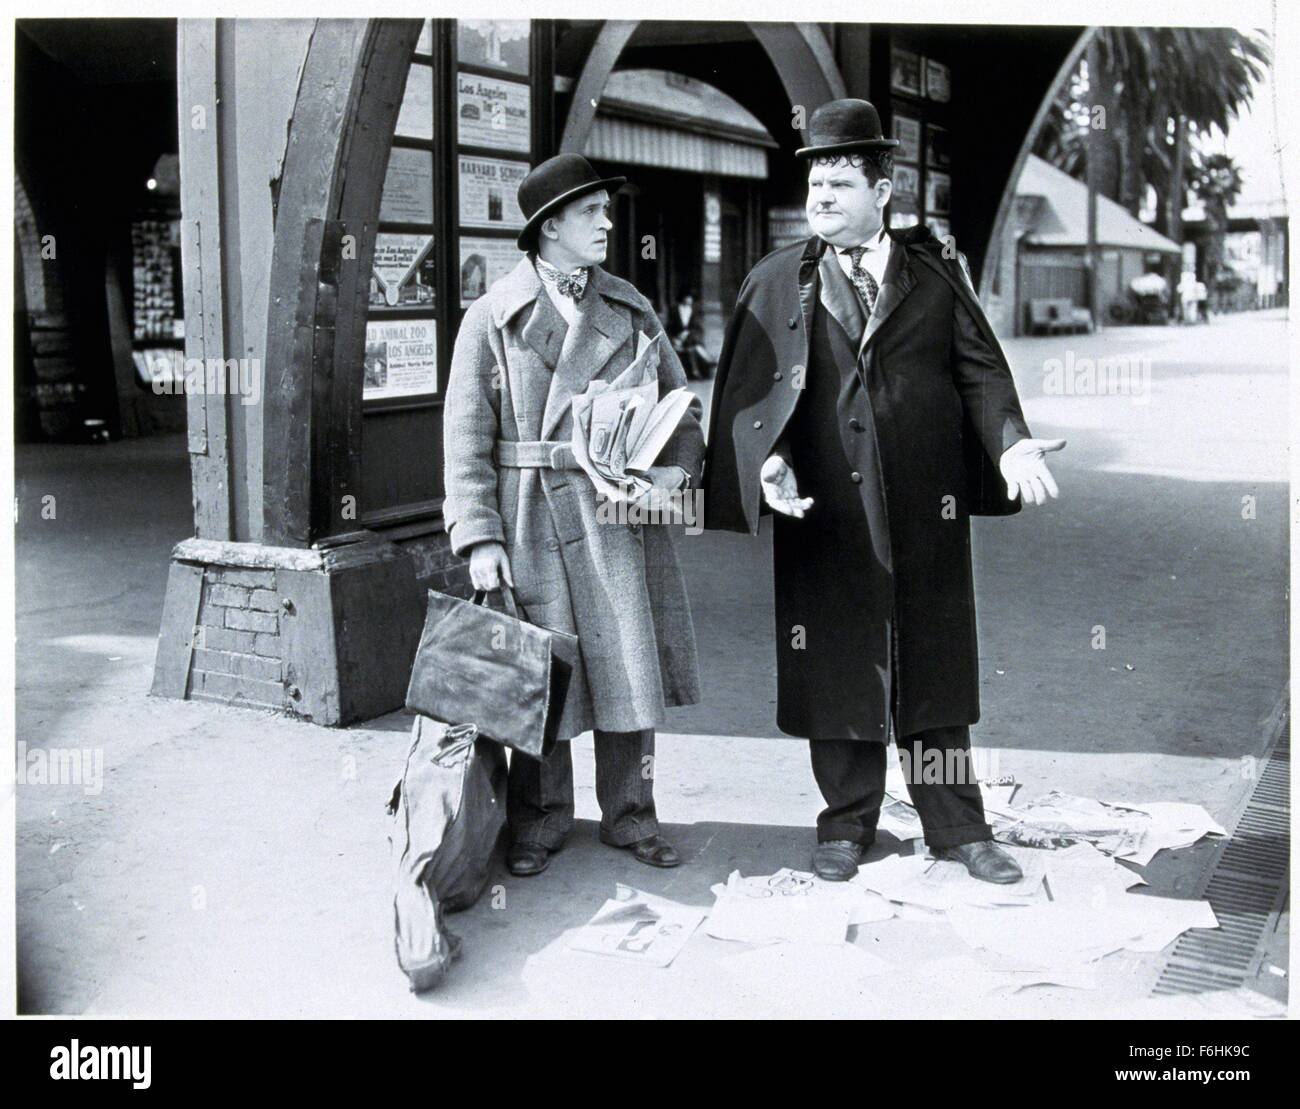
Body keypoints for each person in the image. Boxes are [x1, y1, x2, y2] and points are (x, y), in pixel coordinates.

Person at [702, 99, 1066, 883]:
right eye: (814, 185)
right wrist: (768, 464)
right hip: (826, 511)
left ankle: (961, 829)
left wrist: (1009, 443)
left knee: (933, 664)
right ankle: (845, 824)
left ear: (883, 189)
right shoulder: (775, 282)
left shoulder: (933, 274)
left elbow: (980, 369)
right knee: (837, 660)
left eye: (839, 182)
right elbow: (744, 400)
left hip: (922, 506)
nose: (822, 198)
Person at [443, 153, 705, 877]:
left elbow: (684, 412)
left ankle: (631, 815)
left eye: (606, 210)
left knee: (628, 661)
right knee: (543, 670)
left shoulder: (630, 306)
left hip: (617, 513)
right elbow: (464, 437)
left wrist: (670, 473)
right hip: (528, 513)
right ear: (548, 225)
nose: (608, 222)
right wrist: (478, 538)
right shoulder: (491, 318)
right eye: (592, 211)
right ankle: (540, 818)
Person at [666, 291, 716, 380]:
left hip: (689, 338)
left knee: (693, 346)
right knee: (693, 347)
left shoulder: (693, 310)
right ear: (683, 298)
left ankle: (700, 367)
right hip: (677, 339)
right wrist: (675, 339)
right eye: (688, 297)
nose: (690, 300)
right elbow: (669, 327)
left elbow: (697, 327)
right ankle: (708, 360)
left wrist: (687, 333)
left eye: (691, 298)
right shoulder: (675, 310)